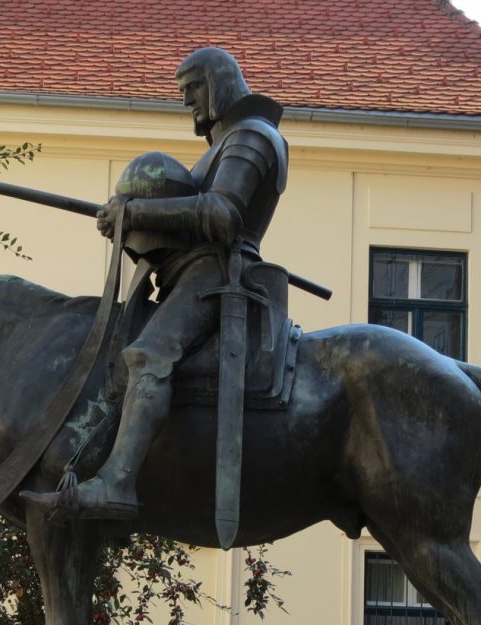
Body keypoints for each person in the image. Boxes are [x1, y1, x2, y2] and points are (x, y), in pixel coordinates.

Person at [21, 46, 288, 521]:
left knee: (150, 356)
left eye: (192, 89)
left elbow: (223, 215)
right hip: (187, 271)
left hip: (218, 274)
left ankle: (117, 484)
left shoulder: (254, 136)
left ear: (218, 83)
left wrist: (136, 211)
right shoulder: (220, 148)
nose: (186, 101)